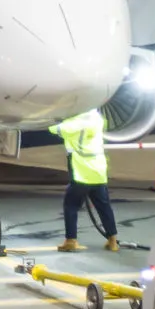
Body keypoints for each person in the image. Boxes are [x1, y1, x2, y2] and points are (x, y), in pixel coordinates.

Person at [51, 106, 116, 251]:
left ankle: (71, 241)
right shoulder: (97, 119)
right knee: (104, 207)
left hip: (81, 172)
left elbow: (54, 129)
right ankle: (112, 241)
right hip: (98, 171)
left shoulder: (73, 123)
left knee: (71, 206)